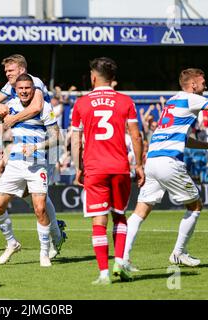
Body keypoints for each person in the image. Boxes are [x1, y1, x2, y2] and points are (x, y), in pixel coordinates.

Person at [123, 69, 208, 271]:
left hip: (152, 160)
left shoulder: (173, 101)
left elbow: (181, 138)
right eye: (203, 82)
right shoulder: (191, 98)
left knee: (140, 211)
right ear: (193, 85)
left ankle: (123, 259)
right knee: (195, 206)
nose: (205, 85)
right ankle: (179, 252)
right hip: (169, 161)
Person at [0, 54, 66, 256]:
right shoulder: (11, 87)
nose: (7, 74)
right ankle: (54, 229)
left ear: (22, 70)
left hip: (44, 144)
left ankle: (55, 233)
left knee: (39, 198)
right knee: (31, 195)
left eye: (11, 70)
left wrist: (10, 118)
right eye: (6, 71)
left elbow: (36, 107)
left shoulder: (34, 83)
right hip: (22, 147)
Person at [70, 57, 144, 285]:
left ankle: (103, 274)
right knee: (119, 216)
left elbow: (75, 139)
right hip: (120, 167)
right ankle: (120, 263)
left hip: (95, 168)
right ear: (112, 78)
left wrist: (77, 167)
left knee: (99, 221)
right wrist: (139, 164)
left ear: (93, 77)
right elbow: (136, 136)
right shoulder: (125, 101)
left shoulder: (81, 104)